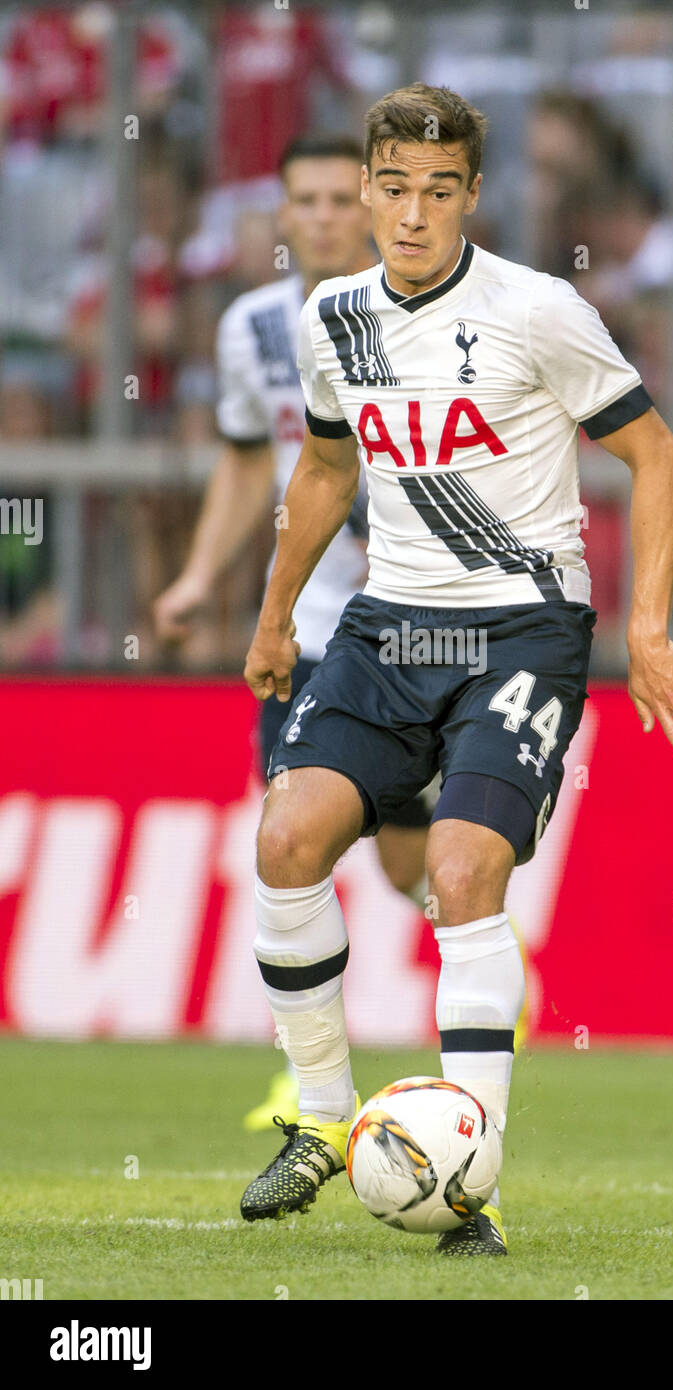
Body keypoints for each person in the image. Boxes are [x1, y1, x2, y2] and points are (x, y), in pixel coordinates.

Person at [239, 83, 673, 1256]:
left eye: (440, 190)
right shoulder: (333, 316)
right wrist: (271, 621)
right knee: (284, 838)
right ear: (366, 189)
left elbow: (653, 456)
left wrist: (648, 631)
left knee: (461, 872)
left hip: (519, 626)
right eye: (395, 188)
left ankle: (473, 1186)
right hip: (387, 624)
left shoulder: (537, 311)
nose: (413, 214)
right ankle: (318, 1118)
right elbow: (323, 471)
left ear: (472, 194)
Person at [153, 134, 434, 1128]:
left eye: (333, 198)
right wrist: (198, 576)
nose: (317, 215)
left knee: (408, 865)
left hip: (403, 630)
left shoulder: (413, 318)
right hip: (301, 630)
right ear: (279, 214)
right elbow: (247, 465)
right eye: (300, 199)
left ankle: (491, 980)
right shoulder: (250, 328)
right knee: (290, 845)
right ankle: (309, 1078)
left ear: (362, 206)